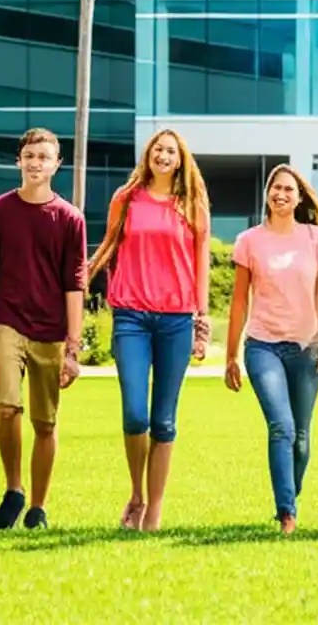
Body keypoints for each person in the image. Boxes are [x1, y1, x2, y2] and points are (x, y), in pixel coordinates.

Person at [88, 128, 211, 532]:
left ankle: (154, 509)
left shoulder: (192, 205)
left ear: (180, 160)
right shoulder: (126, 199)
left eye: (171, 151)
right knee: (135, 413)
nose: (163, 155)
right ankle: (136, 495)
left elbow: (201, 264)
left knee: (164, 421)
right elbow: (109, 243)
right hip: (131, 317)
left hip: (176, 319)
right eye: (158, 149)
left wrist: (202, 321)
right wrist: (86, 273)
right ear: (148, 154)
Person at [0, 128, 86, 531]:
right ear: (19, 161)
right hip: (8, 321)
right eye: (30, 156)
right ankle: (14, 488)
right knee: (6, 408)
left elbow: (75, 284)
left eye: (44, 157)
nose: (36, 163)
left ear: (57, 164)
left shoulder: (70, 218)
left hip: (52, 330)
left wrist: (73, 348)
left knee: (45, 423)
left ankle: (38, 506)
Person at [224, 165, 318, 535]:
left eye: (289, 189)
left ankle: (290, 494)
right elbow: (239, 302)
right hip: (263, 346)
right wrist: (231, 356)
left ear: (299, 197)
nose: (281, 194)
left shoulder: (317, 239)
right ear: (267, 194)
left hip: (307, 348)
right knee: (281, 427)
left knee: (301, 440)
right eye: (276, 188)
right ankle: (287, 512)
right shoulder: (249, 241)